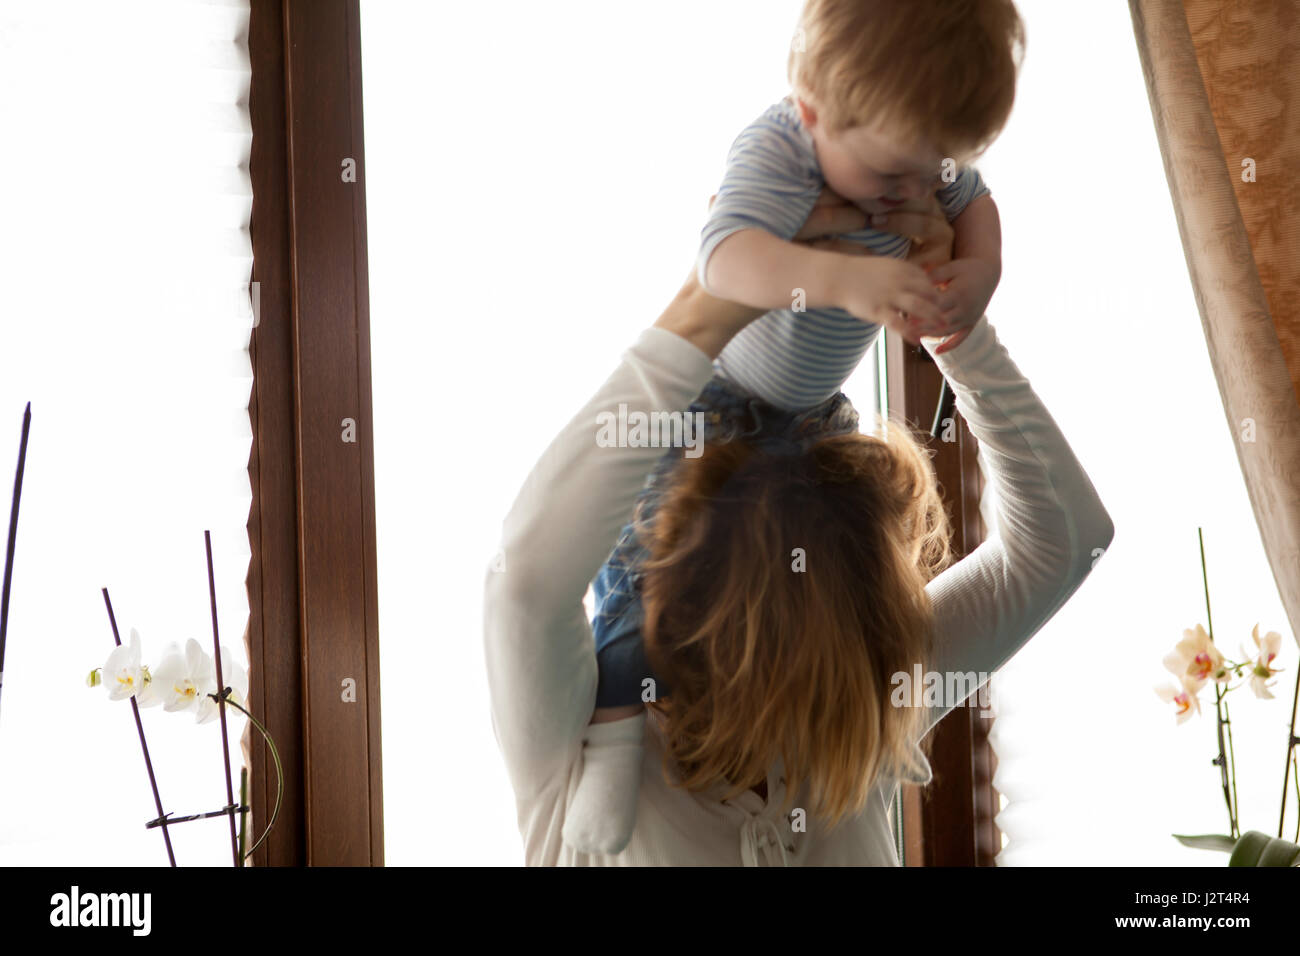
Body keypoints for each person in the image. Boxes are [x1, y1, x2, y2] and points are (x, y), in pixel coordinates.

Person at [482, 194, 1115, 866]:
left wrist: (952, 323)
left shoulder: (860, 705)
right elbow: (525, 583)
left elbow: (1068, 540)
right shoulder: (582, 738)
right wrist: (708, 306)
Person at [567, 0, 1025, 854]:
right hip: (713, 403)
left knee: (829, 564)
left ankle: (834, 740)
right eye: (893, 179)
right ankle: (617, 723)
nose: (914, 193)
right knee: (640, 564)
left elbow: (978, 206)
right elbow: (725, 257)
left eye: (932, 171)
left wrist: (978, 273)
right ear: (814, 109)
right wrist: (841, 281)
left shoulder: (912, 147)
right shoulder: (777, 146)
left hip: (811, 417)